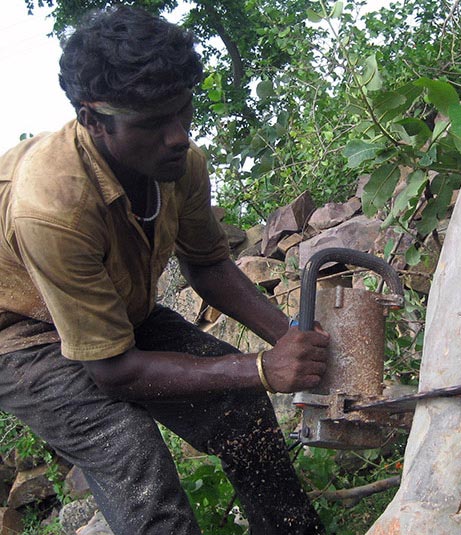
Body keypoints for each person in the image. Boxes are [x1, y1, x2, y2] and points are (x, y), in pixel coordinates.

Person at [0, 6, 330, 534]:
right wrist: (263, 369)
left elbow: (209, 267)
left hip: (114, 309)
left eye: (183, 111)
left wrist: (295, 338)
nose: (178, 135)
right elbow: (114, 371)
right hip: (24, 336)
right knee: (135, 462)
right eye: (153, 123)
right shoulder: (51, 207)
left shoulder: (178, 162)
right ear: (93, 119)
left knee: (239, 409)